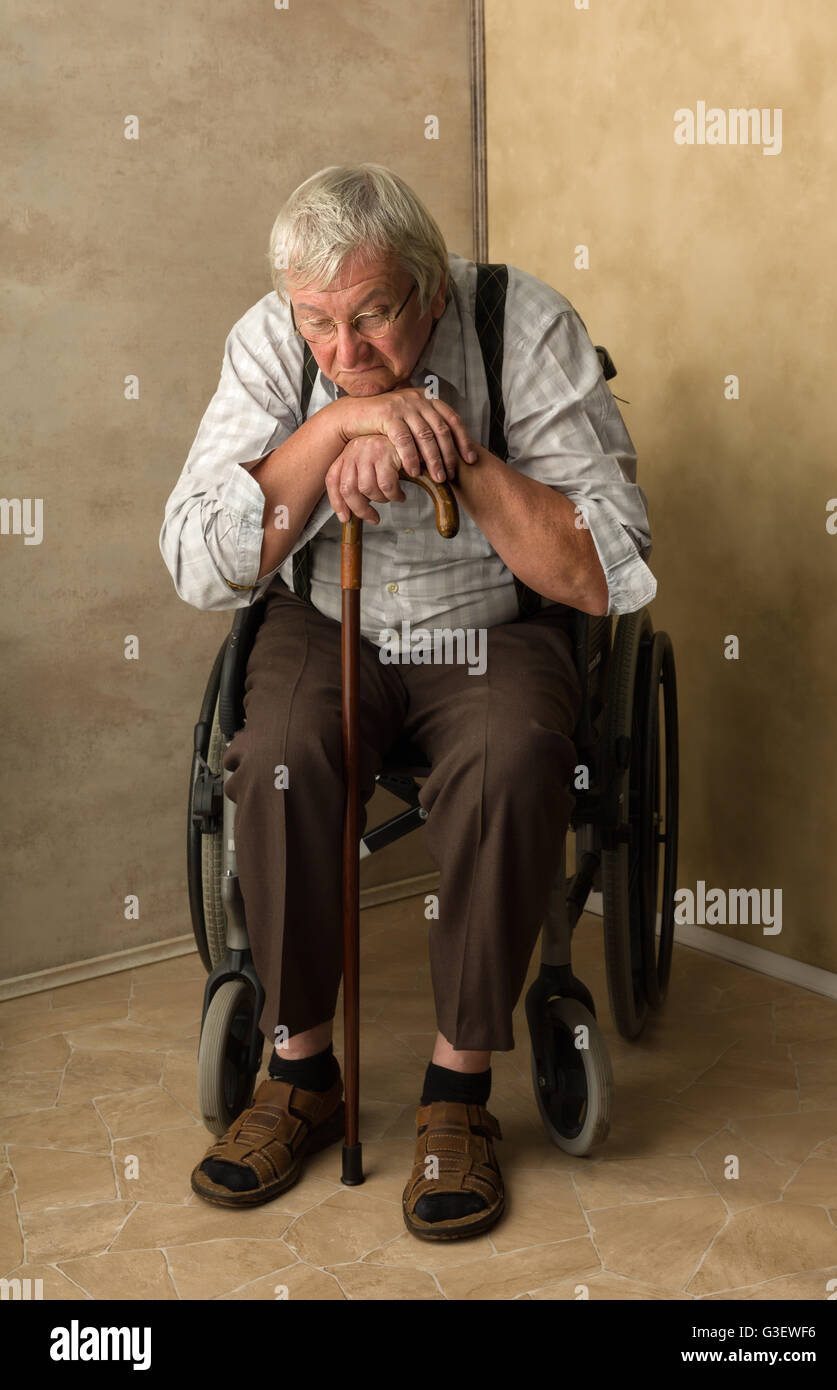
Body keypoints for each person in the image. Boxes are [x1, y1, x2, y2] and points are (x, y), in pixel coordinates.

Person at [159, 163, 656, 1240]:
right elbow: (199, 564)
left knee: (516, 753)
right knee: (278, 749)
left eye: (373, 315)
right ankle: (299, 1070)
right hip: (324, 619)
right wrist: (332, 434)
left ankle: (457, 1086)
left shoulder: (519, 320)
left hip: (493, 626)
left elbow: (604, 572)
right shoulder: (269, 338)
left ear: (429, 287)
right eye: (319, 325)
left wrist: (449, 451)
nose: (344, 353)